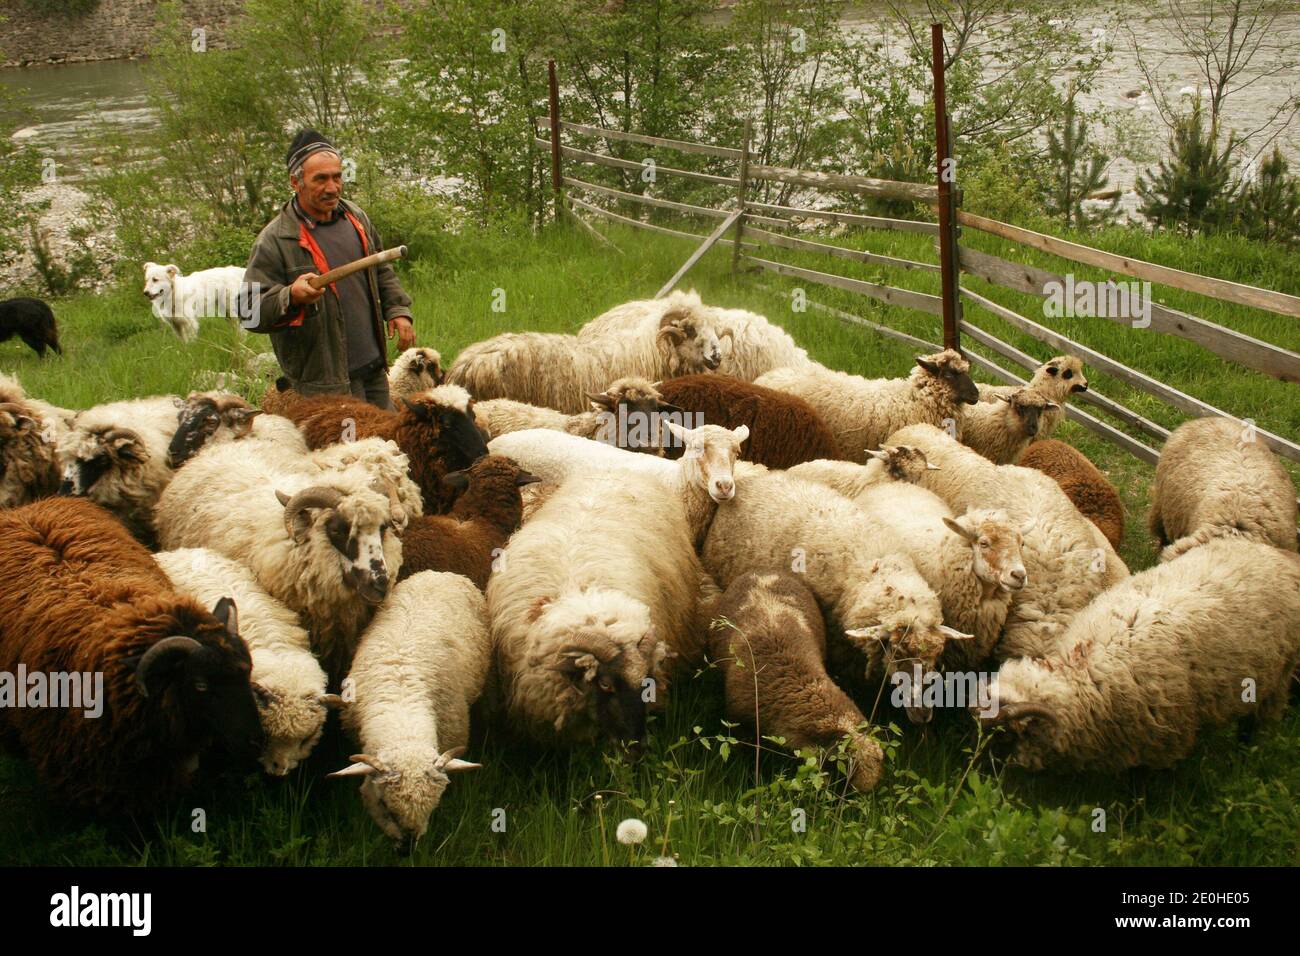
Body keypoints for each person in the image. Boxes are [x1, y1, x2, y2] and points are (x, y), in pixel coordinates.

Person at [243, 129, 415, 407]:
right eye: (320, 179)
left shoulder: (355, 217)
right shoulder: (274, 240)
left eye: (337, 177)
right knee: (349, 449)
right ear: (295, 182)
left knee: (388, 445)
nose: (333, 187)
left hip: (373, 367)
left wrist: (397, 310)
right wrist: (290, 295)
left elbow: (381, 268)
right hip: (325, 383)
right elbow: (248, 311)